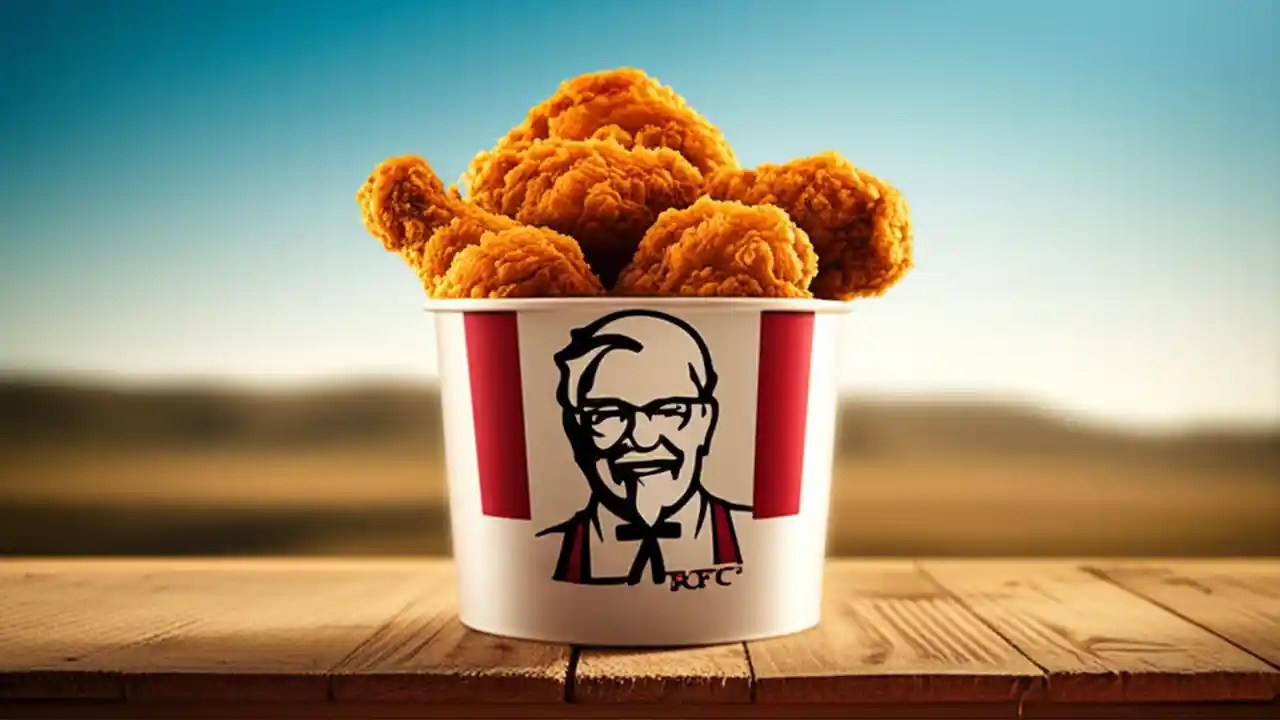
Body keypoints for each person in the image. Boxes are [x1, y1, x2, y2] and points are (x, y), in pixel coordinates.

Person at [538, 310, 750, 585]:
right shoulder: (537, 552)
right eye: (608, 413)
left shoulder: (761, 538)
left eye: (670, 410)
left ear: (705, 421)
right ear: (576, 431)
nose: (643, 439)